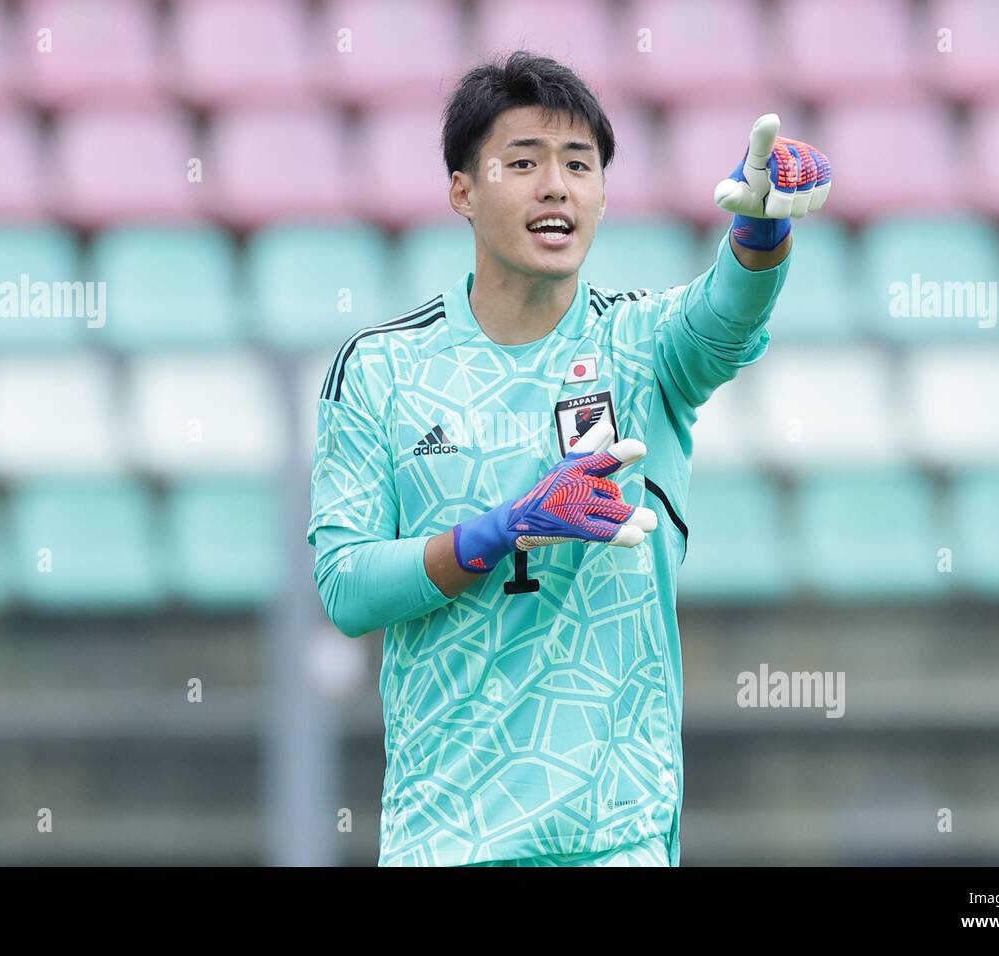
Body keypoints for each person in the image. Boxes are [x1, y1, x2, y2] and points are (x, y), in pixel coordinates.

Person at [307, 50, 831, 866]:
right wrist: (501, 531)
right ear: (463, 191)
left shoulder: (642, 343)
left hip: (615, 838)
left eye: (578, 165)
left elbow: (727, 313)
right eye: (524, 162)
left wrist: (762, 232)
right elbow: (346, 588)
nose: (556, 186)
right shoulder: (381, 370)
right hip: (446, 838)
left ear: (602, 196)